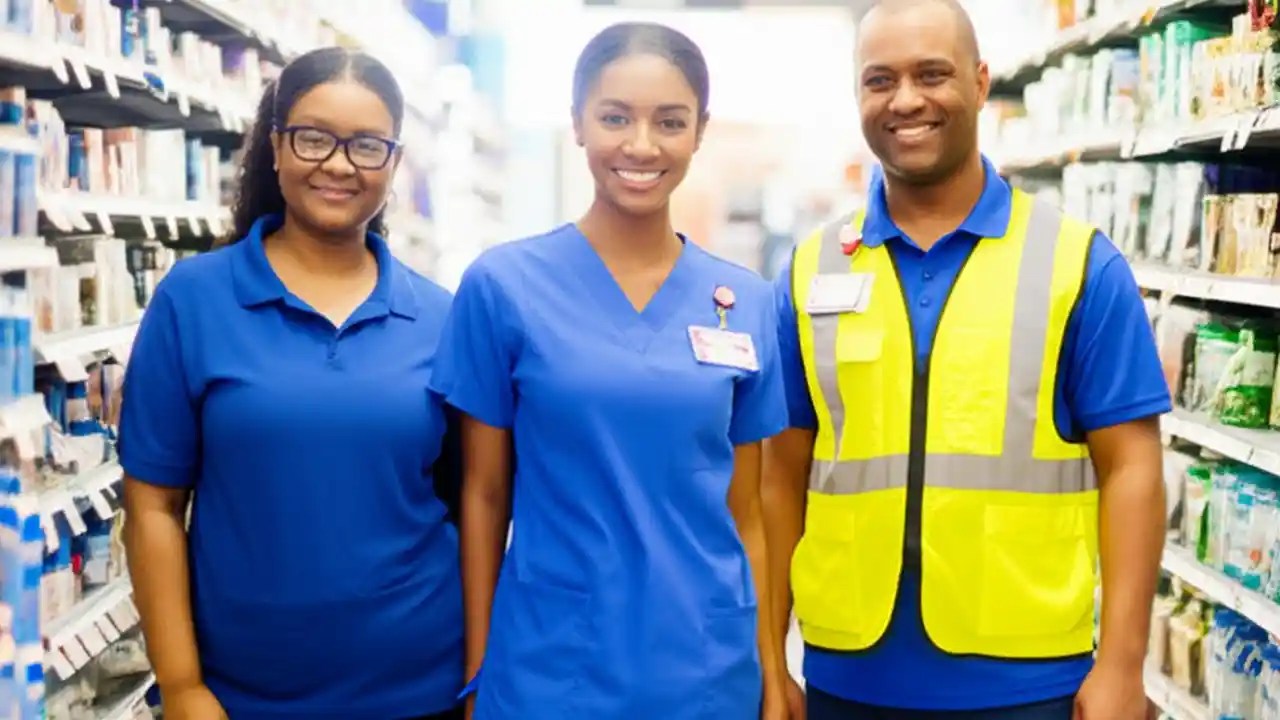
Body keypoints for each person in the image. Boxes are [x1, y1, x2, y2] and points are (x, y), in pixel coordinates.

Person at [763, 1, 1170, 719]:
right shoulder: (807, 271)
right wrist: (772, 661)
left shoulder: (1078, 264)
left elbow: (1132, 468)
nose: (907, 100)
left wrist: (1124, 665)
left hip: (1029, 682)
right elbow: (781, 476)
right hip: (847, 677)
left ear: (981, 84)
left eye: (932, 74)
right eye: (880, 80)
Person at [430, 21, 789, 720]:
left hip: (706, 669)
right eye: (615, 117)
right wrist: (480, 665)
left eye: (670, 121)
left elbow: (749, 516)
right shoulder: (504, 287)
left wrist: (772, 672)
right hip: (552, 666)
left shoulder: (744, 301)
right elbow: (482, 494)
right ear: (577, 125)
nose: (642, 145)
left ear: (699, 131)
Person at [120, 47, 464, 720]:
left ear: (393, 164)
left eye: (367, 146)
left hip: (421, 692)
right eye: (313, 138)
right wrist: (184, 685)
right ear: (274, 147)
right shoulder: (194, 301)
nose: (338, 164)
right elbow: (152, 508)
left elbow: (469, 505)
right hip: (240, 698)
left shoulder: (442, 318)